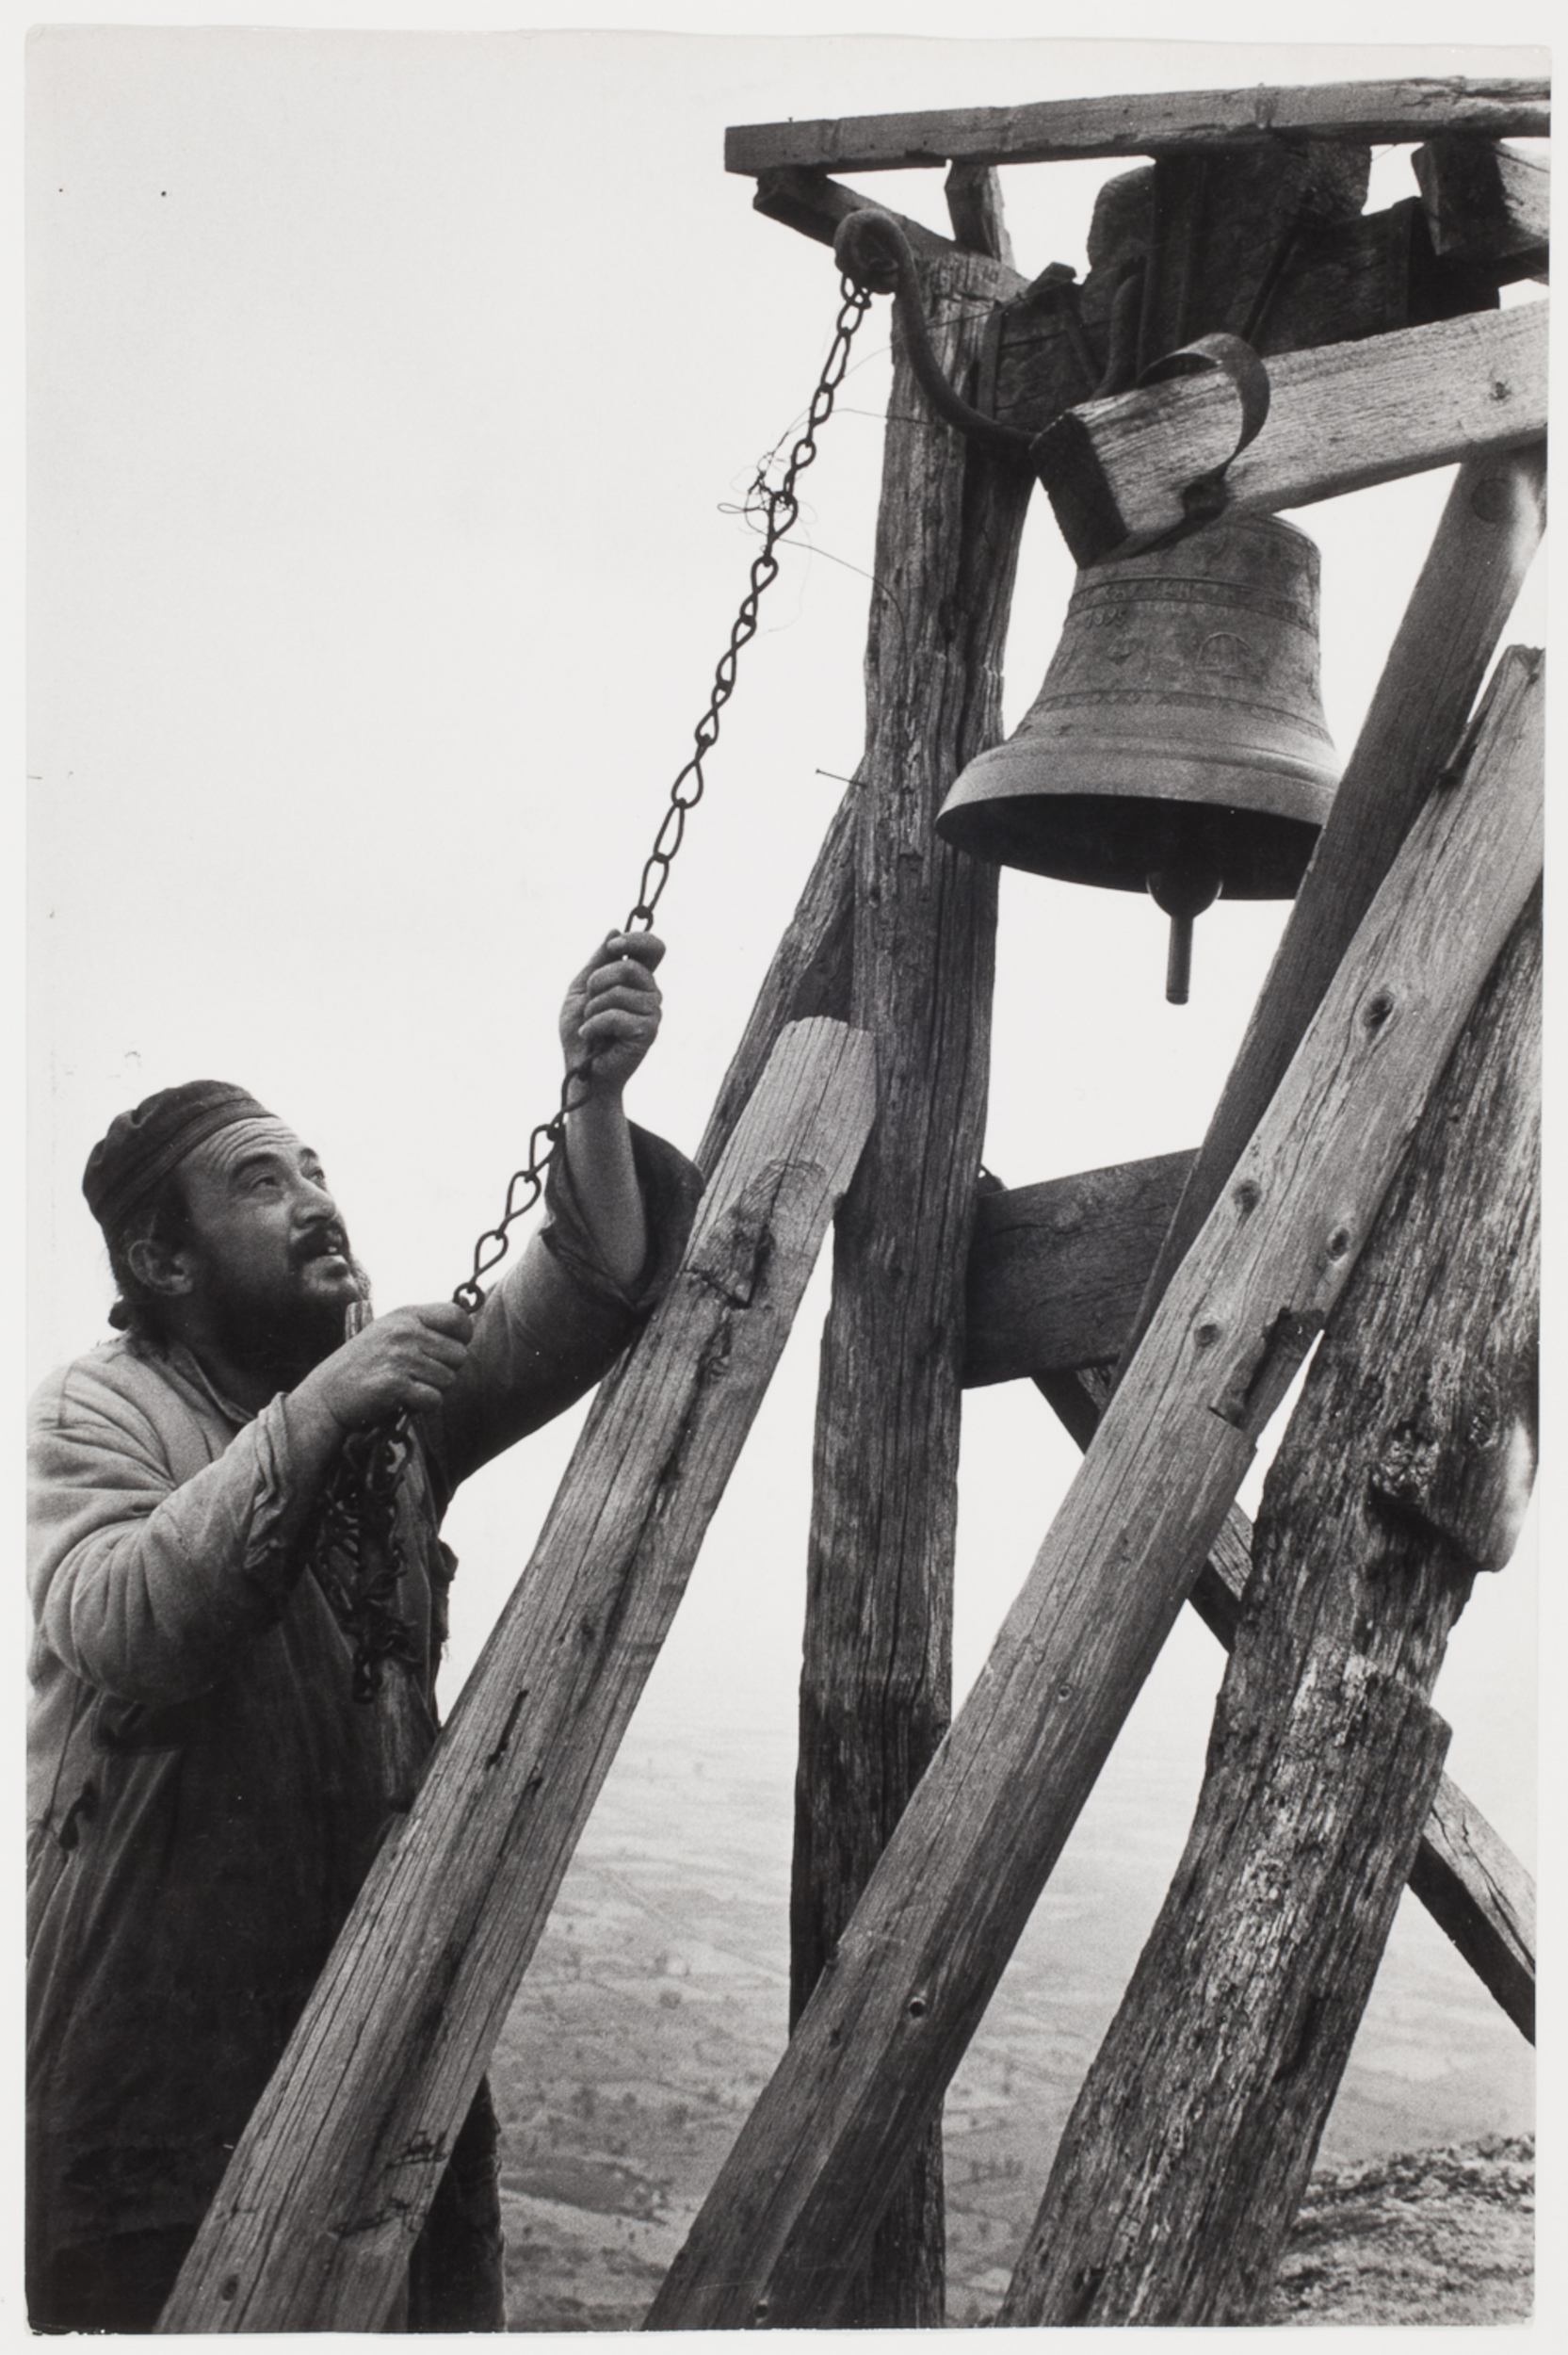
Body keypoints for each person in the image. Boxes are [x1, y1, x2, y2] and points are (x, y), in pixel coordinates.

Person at [26, 934, 702, 2332]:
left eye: (316, 1170)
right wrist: (327, 1405)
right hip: (151, 2089)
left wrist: (591, 1097)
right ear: (162, 1258)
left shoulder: (394, 1416)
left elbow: (582, 1294)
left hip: (384, 2037)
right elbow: (128, 1624)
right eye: (261, 1183)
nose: (316, 1202)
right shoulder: (99, 1411)